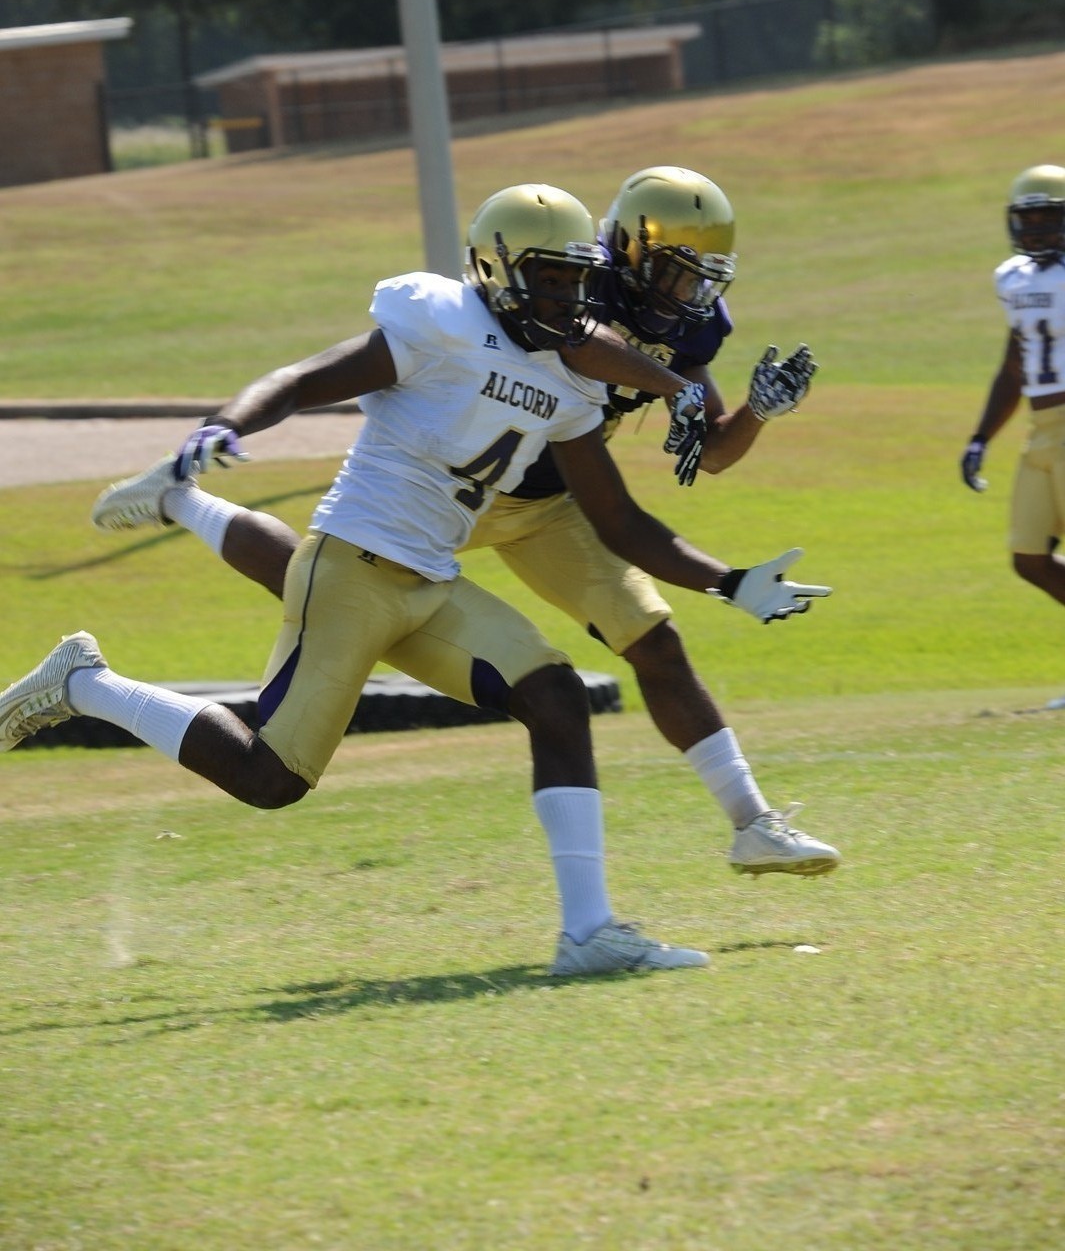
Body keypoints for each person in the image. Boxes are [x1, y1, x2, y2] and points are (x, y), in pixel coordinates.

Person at [1, 183, 832, 978]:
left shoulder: (571, 379)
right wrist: (224, 424)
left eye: (576, 280)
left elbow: (619, 522)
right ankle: (89, 684)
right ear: (500, 273)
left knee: (554, 696)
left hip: (431, 581)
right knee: (270, 780)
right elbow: (299, 378)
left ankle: (588, 932)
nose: (568, 300)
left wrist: (727, 583)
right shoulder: (437, 322)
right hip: (353, 566)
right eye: (549, 279)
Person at [961, 164, 1065, 695]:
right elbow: (1013, 366)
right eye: (1028, 219)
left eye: (1049, 218)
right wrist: (981, 437)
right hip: (1040, 429)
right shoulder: (1012, 278)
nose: (1037, 230)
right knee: (1028, 557)